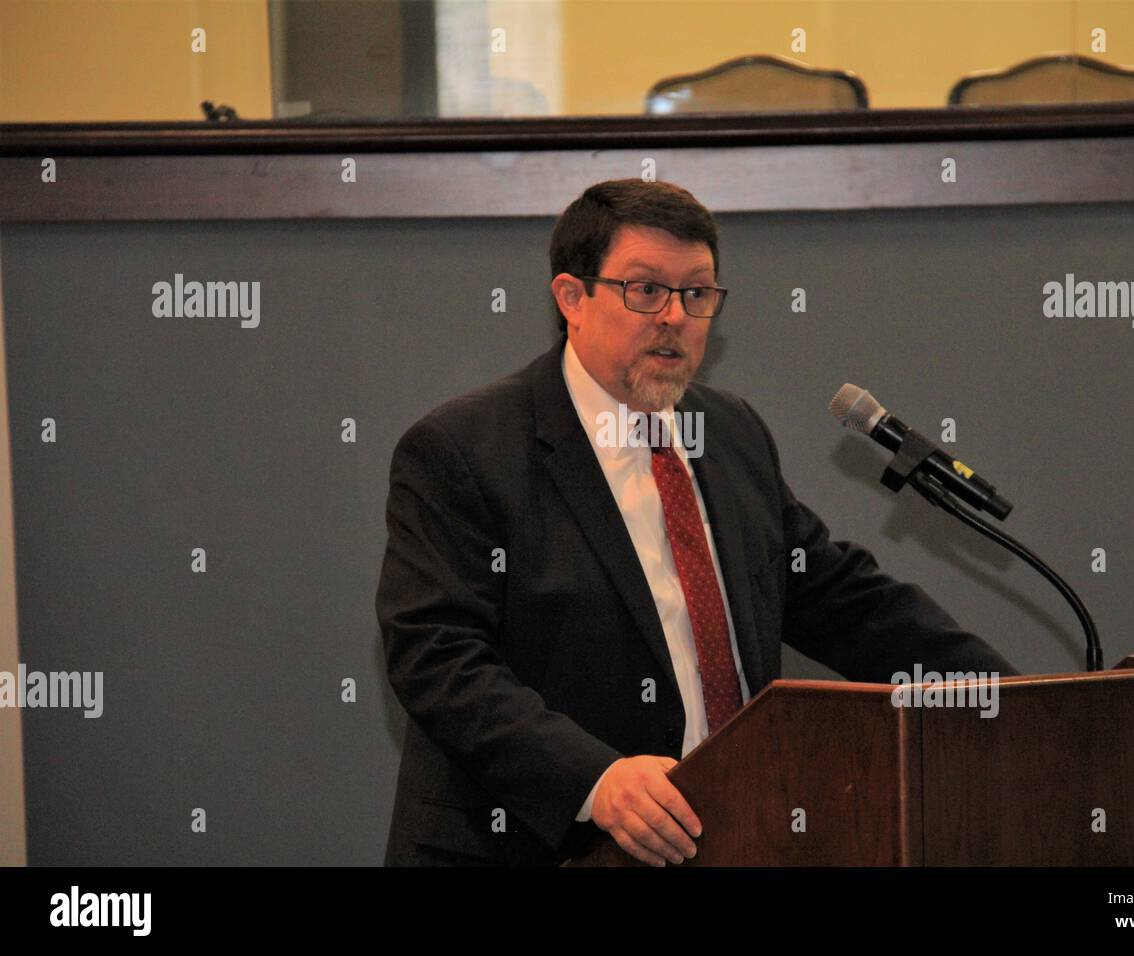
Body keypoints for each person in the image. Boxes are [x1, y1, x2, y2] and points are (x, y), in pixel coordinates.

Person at [376, 178, 1017, 867]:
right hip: (533, 846)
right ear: (572, 299)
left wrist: (1005, 696)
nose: (675, 317)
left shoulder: (729, 430)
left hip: (729, 836)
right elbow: (438, 658)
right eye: (645, 290)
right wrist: (596, 779)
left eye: (697, 293)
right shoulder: (465, 449)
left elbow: (836, 596)